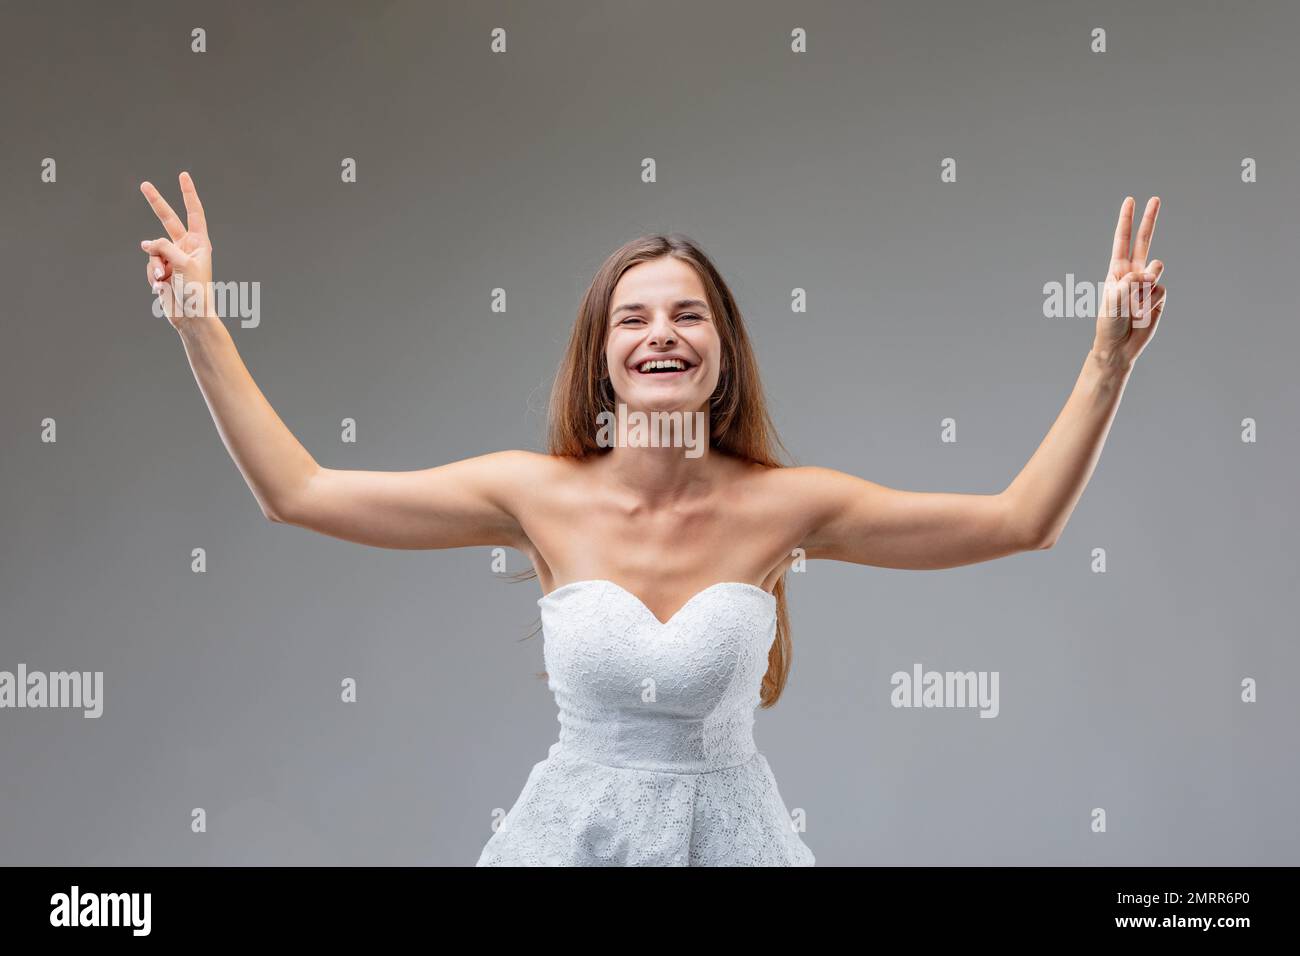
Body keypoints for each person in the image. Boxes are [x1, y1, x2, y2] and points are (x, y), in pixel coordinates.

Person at [138, 172, 1167, 865]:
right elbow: (298, 490)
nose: (660, 333)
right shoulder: (531, 493)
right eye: (632, 316)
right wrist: (198, 319)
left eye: (687, 314)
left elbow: (1020, 518)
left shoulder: (786, 505)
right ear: (601, 353)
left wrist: (1106, 360)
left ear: (722, 350)